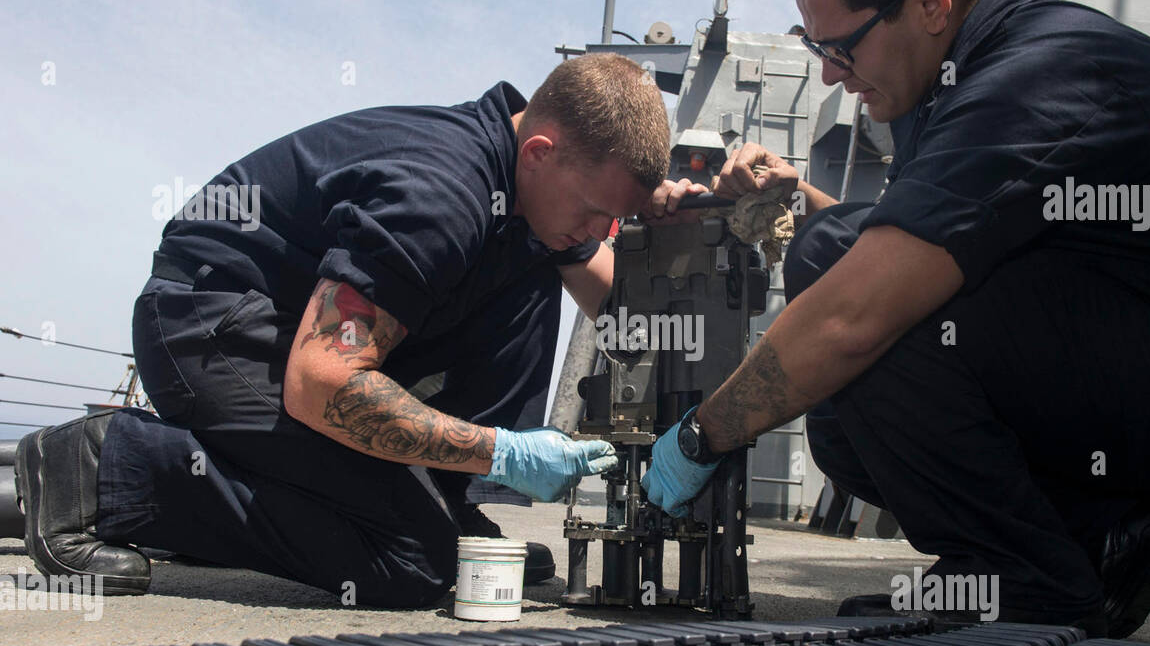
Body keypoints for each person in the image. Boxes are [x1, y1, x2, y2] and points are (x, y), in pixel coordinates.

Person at [642, 0, 1150, 638]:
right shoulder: (960, 77)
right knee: (841, 431)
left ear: (928, 2)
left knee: (830, 265)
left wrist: (701, 435)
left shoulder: (1038, 69)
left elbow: (855, 310)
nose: (832, 71)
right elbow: (918, 247)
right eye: (816, 46)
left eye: (844, 46)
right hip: (1142, 348)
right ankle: (1113, 530)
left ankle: (1028, 582)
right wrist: (794, 193)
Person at [14, 53, 668, 607]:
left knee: (540, 255)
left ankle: (439, 498)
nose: (599, 233)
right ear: (541, 153)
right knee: (415, 562)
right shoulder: (438, 195)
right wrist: (499, 452)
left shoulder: (528, 188)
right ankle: (110, 468)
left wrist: (705, 219)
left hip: (293, 329)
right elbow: (323, 383)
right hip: (211, 321)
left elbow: (635, 316)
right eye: (595, 213)